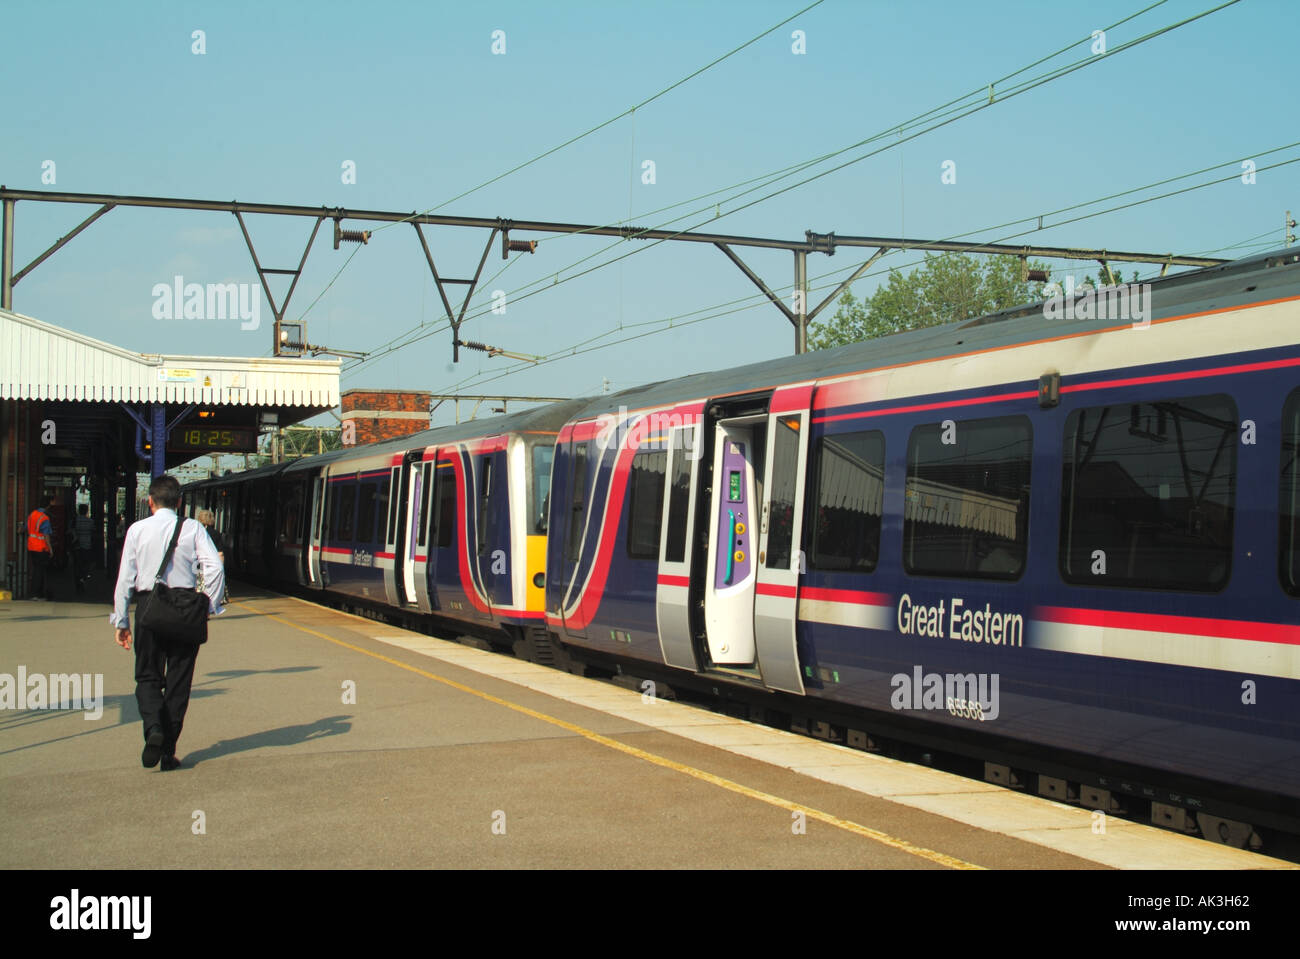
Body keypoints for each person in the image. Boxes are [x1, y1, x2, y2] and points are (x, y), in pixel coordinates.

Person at [111, 474, 224, 771]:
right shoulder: (193, 528)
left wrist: (121, 620)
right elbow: (214, 567)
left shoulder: (137, 530)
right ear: (179, 502)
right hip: (186, 608)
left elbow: (125, 579)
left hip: (150, 606)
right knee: (178, 682)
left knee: (147, 676)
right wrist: (209, 604)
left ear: (150, 502)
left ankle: (153, 729)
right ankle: (167, 751)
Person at [25, 495, 56, 601]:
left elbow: (24, 528)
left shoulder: (32, 514)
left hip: (31, 546)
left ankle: (37, 594)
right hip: (41, 548)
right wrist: (50, 548)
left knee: (36, 569)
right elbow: (46, 535)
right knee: (40, 571)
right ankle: (37, 594)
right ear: (48, 505)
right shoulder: (44, 518)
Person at [194, 509, 228, 602]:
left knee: (199, 587)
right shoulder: (216, 534)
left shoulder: (196, 532)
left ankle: (199, 604)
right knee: (211, 588)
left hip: (198, 563)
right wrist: (221, 568)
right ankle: (208, 607)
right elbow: (220, 553)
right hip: (212, 565)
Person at [73, 503, 94, 593]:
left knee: (77, 564)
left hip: (77, 546)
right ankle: (84, 578)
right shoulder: (90, 521)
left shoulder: (75, 521)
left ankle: (78, 580)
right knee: (86, 564)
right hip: (87, 546)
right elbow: (93, 531)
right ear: (86, 511)